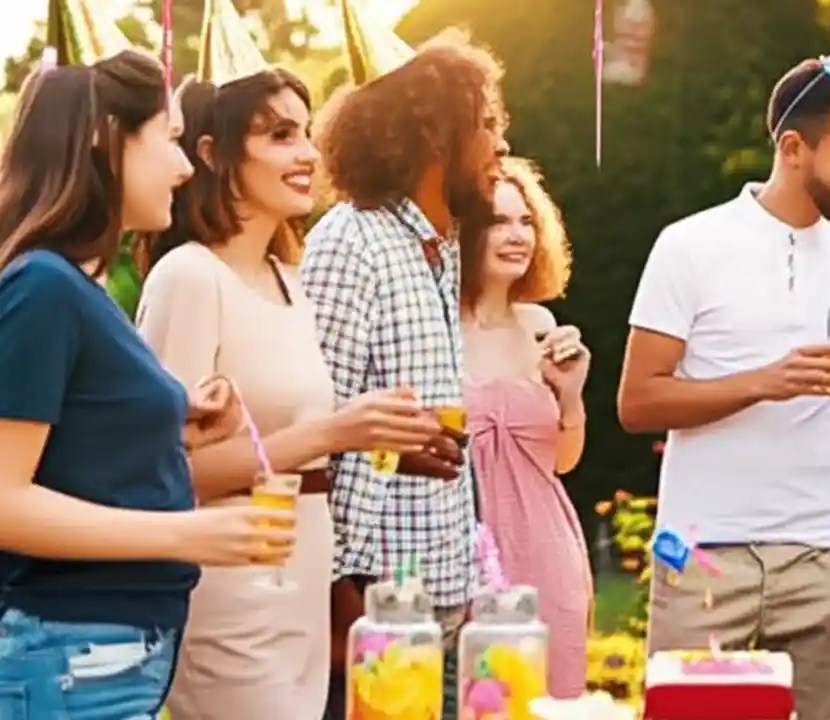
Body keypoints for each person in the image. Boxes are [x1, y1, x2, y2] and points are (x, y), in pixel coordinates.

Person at [133, 6, 444, 717]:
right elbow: (162, 474)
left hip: (303, 578)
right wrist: (337, 433)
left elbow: (285, 444)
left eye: (306, 133)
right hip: (228, 591)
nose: (307, 153)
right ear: (211, 154)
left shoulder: (289, 281)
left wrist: (379, 440)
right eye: (279, 135)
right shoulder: (189, 277)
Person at [616, 14, 830, 716]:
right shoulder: (689, 246)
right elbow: (638, 402)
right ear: (792, 147)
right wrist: (763, 383)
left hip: (818, 563)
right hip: (704, 561)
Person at [0, 50, 295, 719]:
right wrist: (185, 533)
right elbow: (4, 501)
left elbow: (69, 440)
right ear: (108, 140)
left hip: (103, 656)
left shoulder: (77, 289)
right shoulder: (43, 287)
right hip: (71, 656)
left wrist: (169, 415)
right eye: (168, 138)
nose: (187, 166)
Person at [301, 16, 510, 716]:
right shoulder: (349, 239)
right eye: (485, 123)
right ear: (434, 135)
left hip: (445, 597)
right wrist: (339, 607)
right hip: (372, 608)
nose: (501, 143)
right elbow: (314, 427)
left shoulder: (445, 247)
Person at [458, 156, 591, 699]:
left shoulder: (542, 327)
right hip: (464, 555)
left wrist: (572, 393)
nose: (518, 236)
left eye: (526, 222)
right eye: (498, 221)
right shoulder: (434, 327)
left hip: (549, 551)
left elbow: (562, 461)